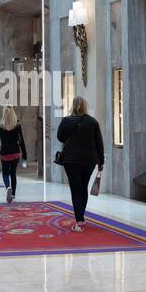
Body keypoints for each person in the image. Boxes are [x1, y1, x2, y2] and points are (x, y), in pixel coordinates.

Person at [56, 95, 104, 231]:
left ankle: (79, 219)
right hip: (89, 160)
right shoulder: (92, 122)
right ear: (85, 106)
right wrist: (101, 161)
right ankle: (81, 216)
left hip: (71, 160)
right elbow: (99, 143)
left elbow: (60, 137)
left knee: (75, 188)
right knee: (83, 187)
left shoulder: (66, 121)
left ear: (73, 105)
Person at [0, 105, 27, 204]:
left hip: (4, 153)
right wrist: (24, 153)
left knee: (5, 173)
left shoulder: (0, 125)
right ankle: (13, 194)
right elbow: (21, 140)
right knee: (13, 173)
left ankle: (8, 187)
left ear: (4, 113)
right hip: (15, 152)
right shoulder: (17, 125)